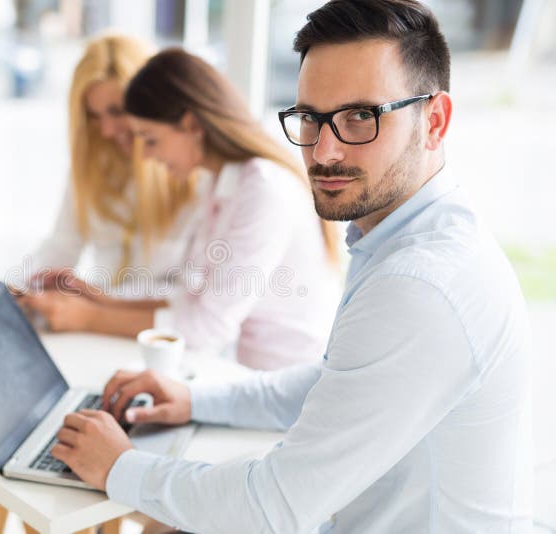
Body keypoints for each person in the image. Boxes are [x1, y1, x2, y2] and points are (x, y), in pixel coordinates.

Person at [48, 1, 533, 531]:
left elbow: (271, 507)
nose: (323, 151)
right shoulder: (405, 238)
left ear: (434, 120)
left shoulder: (418, 284)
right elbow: (335, 382)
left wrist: (119, 467)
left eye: (359, 117)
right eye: (311, 118)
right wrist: (193, 399)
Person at [23, 49, 341, 370]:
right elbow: (190, 296)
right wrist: (101, 298)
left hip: (285, 385)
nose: (146, 156)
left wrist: (88, 317)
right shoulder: (222, 184)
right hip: (254, 377)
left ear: (190, 124)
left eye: (150, 139)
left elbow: (206, 328)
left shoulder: (262, 190)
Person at [19, 34, 202, 306]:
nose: (106, 130)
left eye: (116, 111)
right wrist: (22, 286)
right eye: (95, 116)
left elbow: (194, 292)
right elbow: (63, 245)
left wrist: (98, 299)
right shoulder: (93, 163)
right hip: (98, 323)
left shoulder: (191, 173)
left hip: (158, 331)